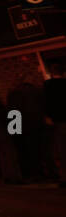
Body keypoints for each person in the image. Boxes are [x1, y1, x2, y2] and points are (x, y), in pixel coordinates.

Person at [44, 60, 66, 188]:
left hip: (57, 121)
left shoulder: (48, 85)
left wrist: (48, 117)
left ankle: (64, 177)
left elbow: (47, 104)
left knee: (62, 150)